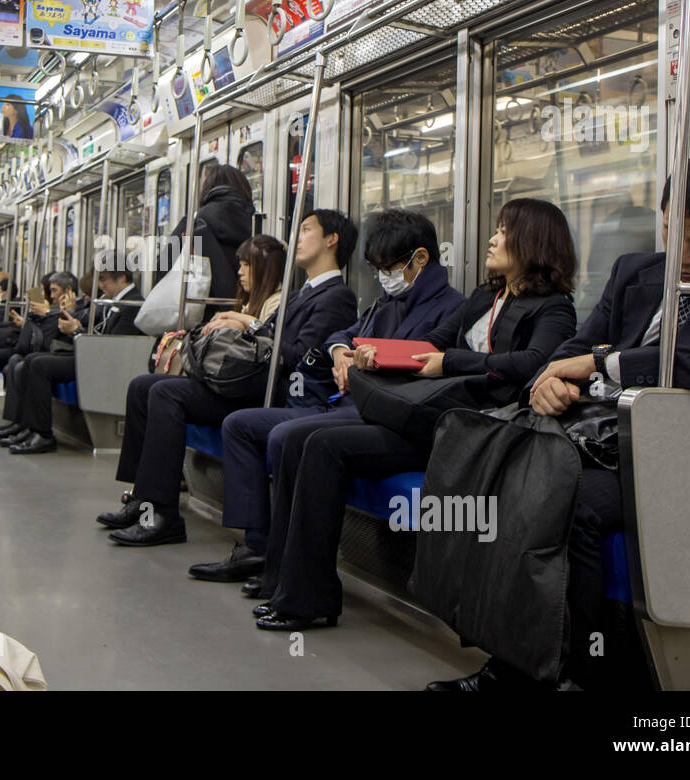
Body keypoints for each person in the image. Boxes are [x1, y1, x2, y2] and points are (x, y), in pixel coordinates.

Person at [430, 153, 690, 691]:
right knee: (492, 469)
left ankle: (576, 674)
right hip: (601, 439)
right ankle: (511, 658)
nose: (683, 257)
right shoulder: (638, 273)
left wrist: (607, 363)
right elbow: (577, 346)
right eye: (675, 235)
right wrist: (554, 378)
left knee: (565, 499)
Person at [253, 197, 578, 632]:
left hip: (475, 429)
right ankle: (287, 586)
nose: (493, 238)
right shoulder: (486, 297)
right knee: (299, 439)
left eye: (504, 232)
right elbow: (433, 343)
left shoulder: (553, 308)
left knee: (324, 445)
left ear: (533, 242)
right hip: (437, 414)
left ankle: (307, 598)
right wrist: (373, 353)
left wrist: (452, 361)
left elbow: (531, 363)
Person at [190, 209, 465, 583]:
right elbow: (341, 336)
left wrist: (367, 363)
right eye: (379, 269)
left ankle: (290, 573)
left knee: (294, 438)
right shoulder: (386, 303)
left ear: (421, 258)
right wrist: (340, 353)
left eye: (391, 267)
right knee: (242, 425)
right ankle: (261, 550)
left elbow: (420, 360)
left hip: (389, 417)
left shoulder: (451, 308)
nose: (385, 277)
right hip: (350, 404)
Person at [99, 224, 359, 546]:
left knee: (165, 392)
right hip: (253, 382)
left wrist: (247, 324)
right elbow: (271, 338)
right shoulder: (301, 293)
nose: (297, 237)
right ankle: (144, 500)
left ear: (331, 239)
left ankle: (163, 515)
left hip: (274, 391)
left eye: (305, 229)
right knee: (142, 386)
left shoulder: (337, 297)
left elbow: (297, 356)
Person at [0, 269, 145, 455]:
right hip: (91, 354)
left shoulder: (131, 304)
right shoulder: (114, 301)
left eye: (104, 280)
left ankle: (43, 434)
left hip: (101, 361)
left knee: (39, 365)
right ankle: (31, 426)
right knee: (31, 360)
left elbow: (112, 347)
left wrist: (77, 331)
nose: (101, 286)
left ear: (122, 278)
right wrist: (76, 328)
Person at [0, 272, 75, 426]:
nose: (51, 295)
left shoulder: (61, 310)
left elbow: (47, 337)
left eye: (54, 290)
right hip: (22, 345)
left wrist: (45, 315)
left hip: (31, 348)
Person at [156, 164, 256, 317]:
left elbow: (162, 268)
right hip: (237, 318)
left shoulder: (192, 224)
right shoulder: (256, 226)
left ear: (207, 189)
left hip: (194, 318)